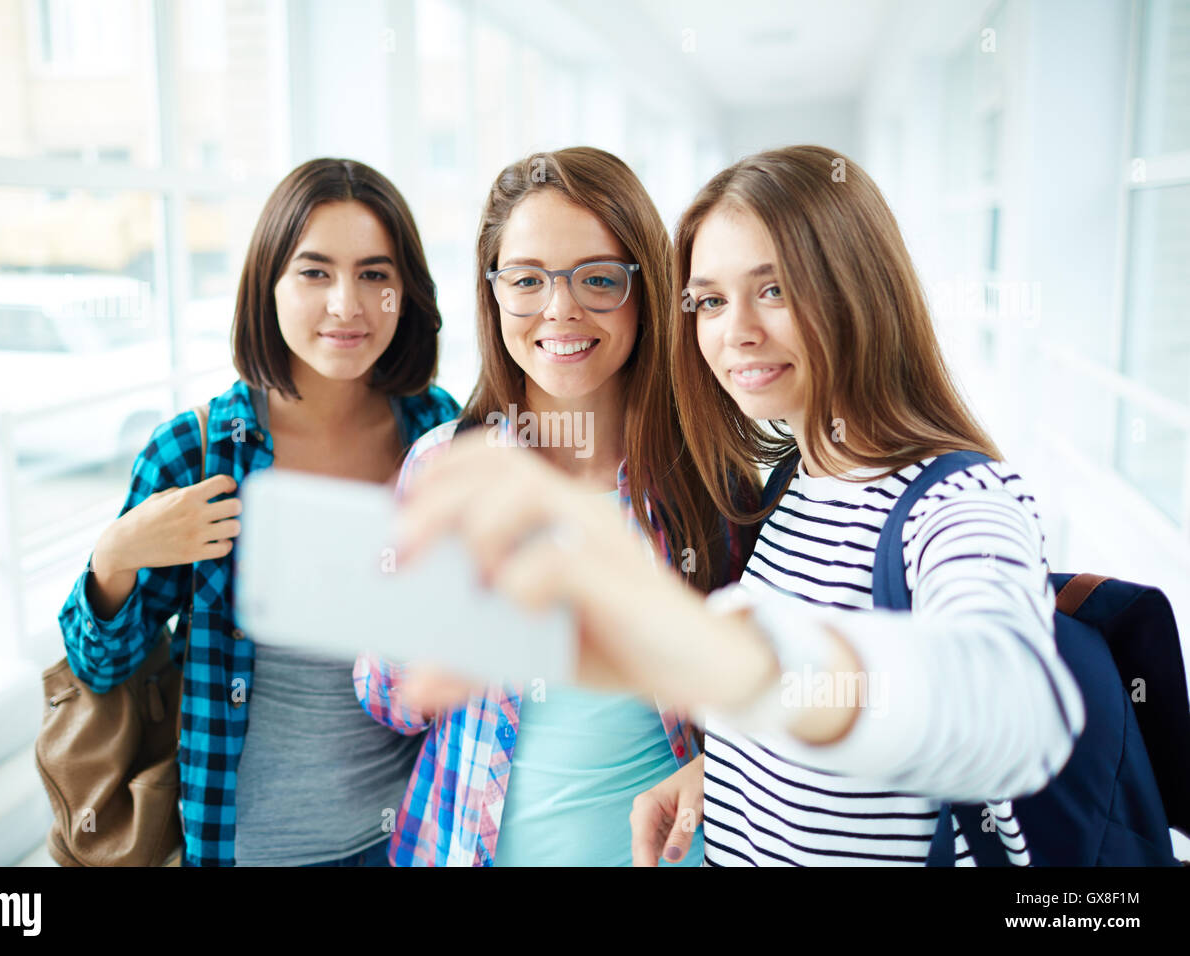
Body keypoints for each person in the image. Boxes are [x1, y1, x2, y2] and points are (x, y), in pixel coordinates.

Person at [393, 145, 1083, 867]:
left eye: (775, 289)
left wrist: (724, 657)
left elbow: (1019, 707)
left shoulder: (956, 501)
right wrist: (716, 769)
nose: (736, 331)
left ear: (860, 289)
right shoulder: (791, 493)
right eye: (711, 300)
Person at [57, 158, 459, 867]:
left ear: (407, 293)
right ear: (267, 286)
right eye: (314, 272)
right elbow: (101, 665)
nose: (346, 304)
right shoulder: (200, 451)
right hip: (252, 850)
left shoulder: (438, 433)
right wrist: (116, 555)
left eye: (375, 274)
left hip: (412, 838)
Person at [354, 147, 737, 866]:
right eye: (527, 280)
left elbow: (755, 702)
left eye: (597, 278)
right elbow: (386, 701)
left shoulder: (710, 480)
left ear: (645, 289)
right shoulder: (443, 465)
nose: (560, 309)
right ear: (494, 291)